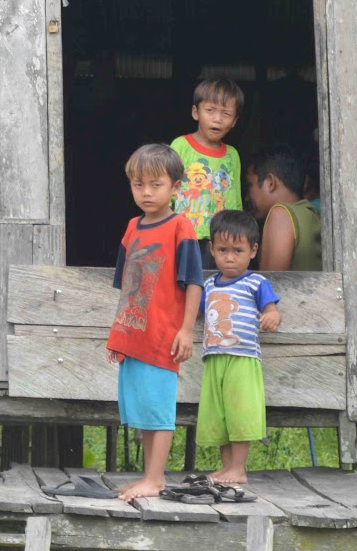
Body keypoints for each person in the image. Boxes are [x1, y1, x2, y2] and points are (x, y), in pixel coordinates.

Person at [106, 143, 204, 501]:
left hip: (163, 336)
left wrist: (186, 330)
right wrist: (118, 336)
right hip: (134, 336)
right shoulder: (132, 228)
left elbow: (193, 282)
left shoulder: (182, 227)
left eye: (156, 184)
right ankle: (151, 476)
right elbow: (127, 289)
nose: (146, 192)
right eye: (138, 185)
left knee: (159, 408)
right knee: (142, 409)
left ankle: (156, 477)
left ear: (176, 187)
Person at [196, 209, 281, 484]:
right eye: (222, 250)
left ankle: (239, 468)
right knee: (219, 414)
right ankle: (227, 466)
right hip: (214, 358)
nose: (229, 257)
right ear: (211, 249)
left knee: (239, 411)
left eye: (237, 250)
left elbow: (272, 310)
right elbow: (194, 312)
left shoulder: (256, 282)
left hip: (243, 358)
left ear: (253, 250)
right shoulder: (208, 285)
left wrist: (270, 316)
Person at [171, 77, 245, 266]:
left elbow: (235, 200)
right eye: (210, 110)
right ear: (196, 112)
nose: (217, 119)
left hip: (221, 240)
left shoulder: (232, 155)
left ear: (235, 121)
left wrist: (237, 236)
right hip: (184, 237)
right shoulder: (181, 146)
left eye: (226, 114)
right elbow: (166, 191)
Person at [245, 145, 321, 272]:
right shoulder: (313, 213)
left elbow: (271, 285)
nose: (247, 198)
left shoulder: (281, 214)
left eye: (250, 186)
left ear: (270, 182)